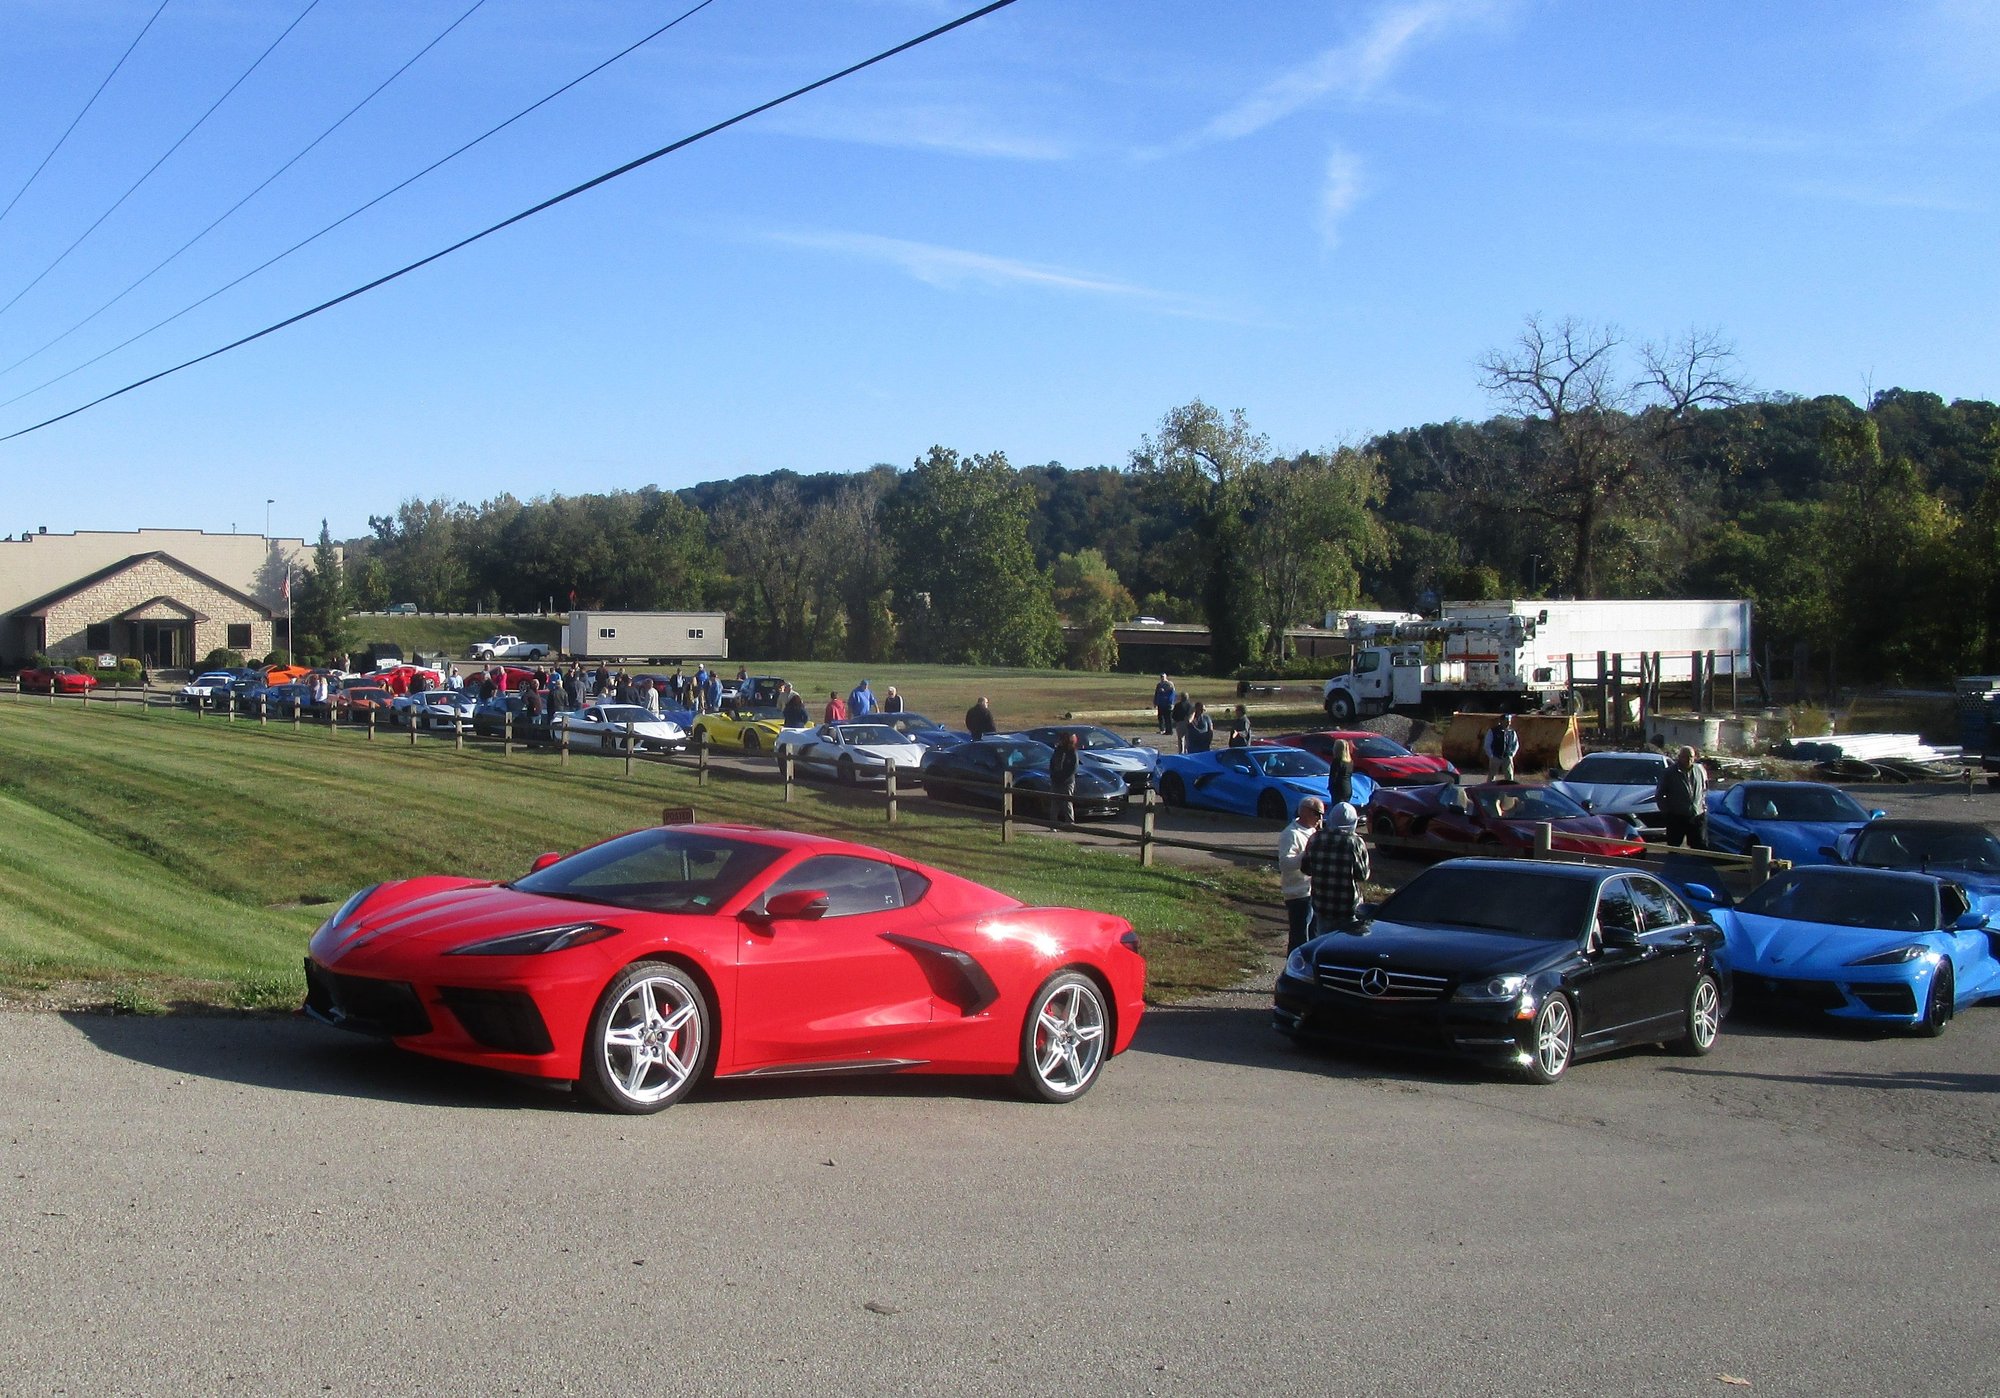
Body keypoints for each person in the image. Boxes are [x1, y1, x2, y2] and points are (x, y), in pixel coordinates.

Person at [1302, 801, 1370, 934]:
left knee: (1325, 946)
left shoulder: (1315, 838)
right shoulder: (1355, 842)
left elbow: (1305, 869)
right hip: (1347, 907)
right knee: (1348, 947)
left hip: (1322, 905)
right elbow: (1362, 875)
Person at [1279, 797, 1325, 952]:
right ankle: (1293, 970)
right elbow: (1285, 864)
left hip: (1314, 891)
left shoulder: (1314, 832)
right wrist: (1307, 855)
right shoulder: (1290, 834)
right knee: (1299, 938)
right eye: (1317, 814)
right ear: (1305, 811)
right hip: (1297, 893)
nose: (1320, 819)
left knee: (1314, 936)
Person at [1656, 745, 1708, 848]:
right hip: (1677, 816)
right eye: (1685, 756)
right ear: (1679, 757)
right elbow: (1659, 795)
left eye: (1691, 757)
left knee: (1699, 846)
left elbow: (1704, 789)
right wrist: (1667, 813)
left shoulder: (1700, 770)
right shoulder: (1669, 773)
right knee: (1674, 846)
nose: (1689, 759)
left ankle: (1695, 864)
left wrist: (1703, 806)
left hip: (1697, 816)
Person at [1047, 731, 1079, 827]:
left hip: (1067, 781)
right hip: (1056, 780)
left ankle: (1070, 823)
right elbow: (1052, 763)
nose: (1061, 741)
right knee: (1054, 803)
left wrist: (1064, 777)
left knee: (1067, 802)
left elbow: (1073, 768)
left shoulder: (1072, 752)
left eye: (1063, 739)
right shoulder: (1058, 750)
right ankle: (1053, 824)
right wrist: (1053, 775)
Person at [1484, 713, 1520, 782]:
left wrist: (1512, 754)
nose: (1508, 723)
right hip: (1496, 756)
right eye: (1506, 721)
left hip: (1507, 757)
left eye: (1509, 722)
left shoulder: (1512, 732)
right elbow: (1487, 744)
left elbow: (1515, 744)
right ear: (1501, 721)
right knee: (1492, 775)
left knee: (1509, 776)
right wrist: (1491, 756)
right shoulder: (1492, 731)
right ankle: (1489, 789)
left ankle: (1509, 789)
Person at [1326, 738, 1354, 806]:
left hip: (1338, 789)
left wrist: (1330, 787)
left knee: (1337, 808)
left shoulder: (1337, 761)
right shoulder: (1350, 762)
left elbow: (1333, 777)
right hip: (1348, 788)